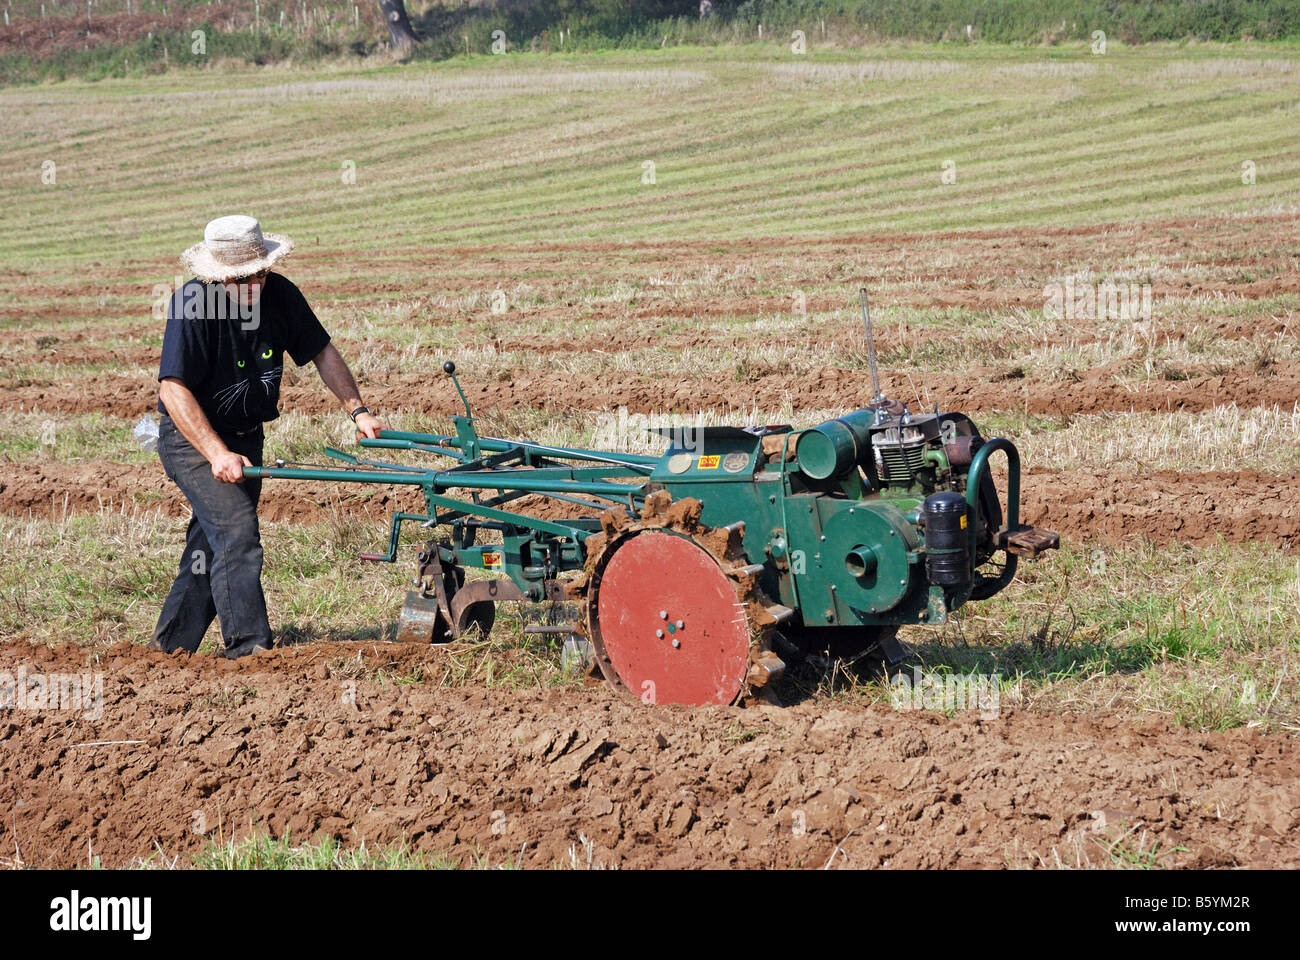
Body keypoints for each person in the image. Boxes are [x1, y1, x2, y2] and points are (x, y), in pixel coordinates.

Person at [150, 215, 386, 658]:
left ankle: (170, 650)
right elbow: (173, 389)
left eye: (261, 272)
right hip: (195, 439)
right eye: (244, 277)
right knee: (237, 532)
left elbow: (321, 352)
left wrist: (358, 411)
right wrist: (217, 452)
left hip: (245, 438)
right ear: (219, 276)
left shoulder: (279, 294)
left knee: (212, 540)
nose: (256, 283)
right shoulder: (192, 305)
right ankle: (249, 650)